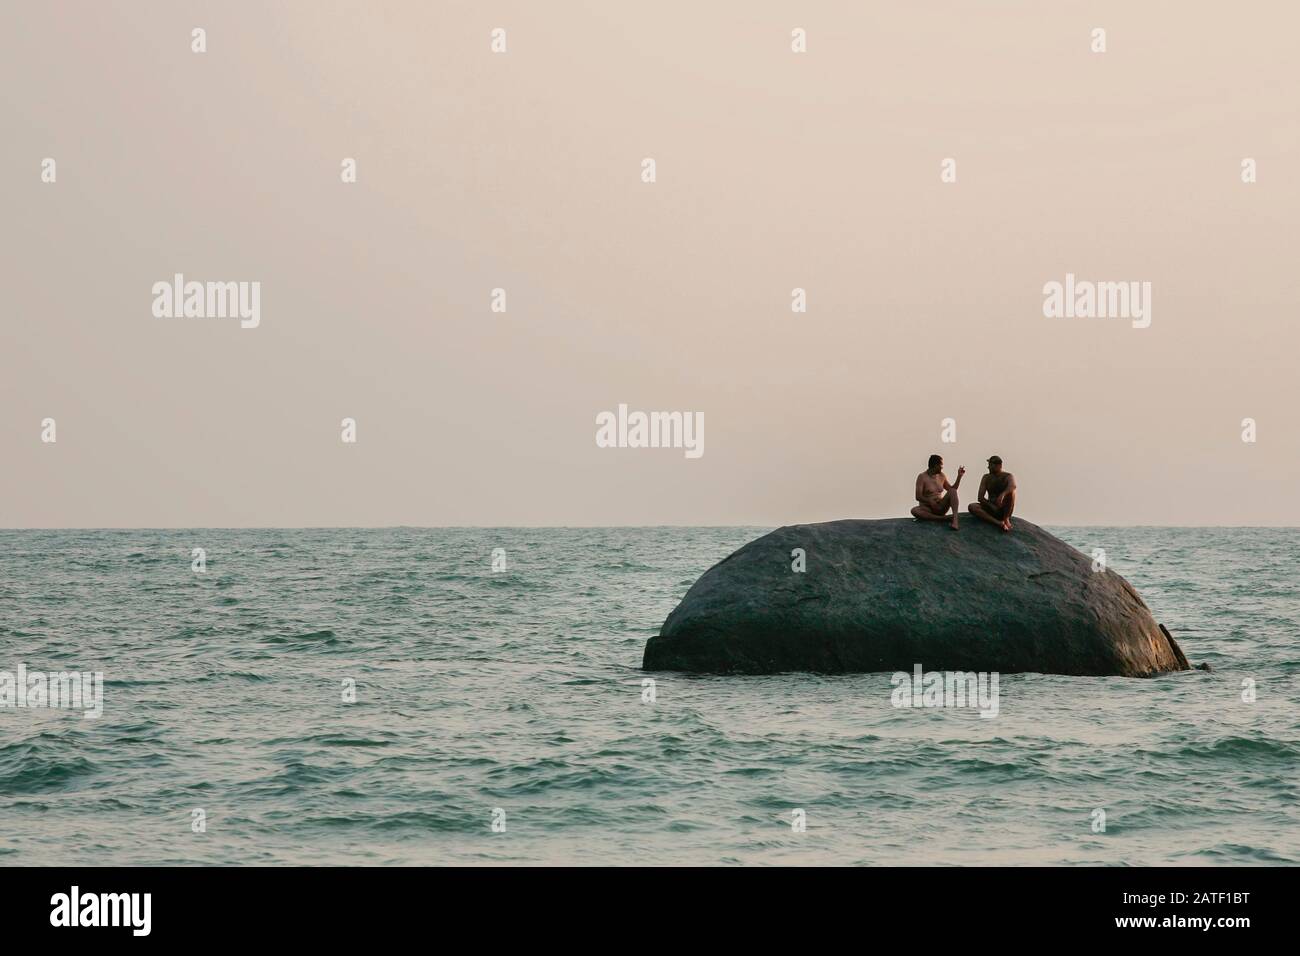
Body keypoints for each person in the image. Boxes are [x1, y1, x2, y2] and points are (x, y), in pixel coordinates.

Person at [911, 454, 964, 530]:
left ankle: (955, 521)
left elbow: (952, 489)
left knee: (953, 491)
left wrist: (959, 477)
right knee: (914, 510)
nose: (942, 467)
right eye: (941, 465)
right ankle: (941, 519)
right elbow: (918, 496)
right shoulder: (922, 477)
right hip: (928, 508)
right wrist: (930, 501)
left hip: (940, 506)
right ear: (935, 465)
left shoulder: (942, 476)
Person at [969, 456, 1017, 532]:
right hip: (991, 508)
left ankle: (1006, 519)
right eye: (989, 465)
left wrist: (1002, 495)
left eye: (991, 465)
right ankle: (998, 523)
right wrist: (991, 505)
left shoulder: (1007, 476)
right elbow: (980, 497)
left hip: (1004, 509)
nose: (988, 467)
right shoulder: (986, 477)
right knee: (972, 506)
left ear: (999, 466)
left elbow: (1013, 486)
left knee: (1011, 493)